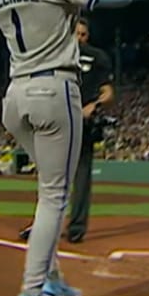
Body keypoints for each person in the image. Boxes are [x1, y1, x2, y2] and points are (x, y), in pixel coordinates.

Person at [0, 0, 144, 296]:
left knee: (48, 191)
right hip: (54, 90)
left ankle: (52, 280)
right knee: (55, 196)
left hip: (14, 98)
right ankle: (31, 294)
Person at [18, 16, 116, 243]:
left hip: (83, 124)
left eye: (83, 35)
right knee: (50, 179)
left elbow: (109, 93)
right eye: (76, 34)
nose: (80, 39)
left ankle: (76, 229)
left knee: (81, 179)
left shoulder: (98, 57)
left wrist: (95, 105)